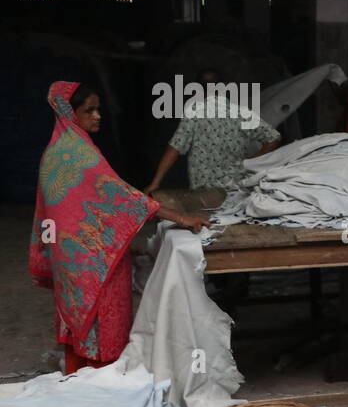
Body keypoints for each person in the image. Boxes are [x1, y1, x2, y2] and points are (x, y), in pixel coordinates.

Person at [31, 82, 208, 373]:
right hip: (97, 263)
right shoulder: (79, 154)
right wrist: (179, 217)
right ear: (69, 113)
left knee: (80, 327)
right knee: (102, 329)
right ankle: (103, 383)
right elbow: (123, 199)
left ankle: (80, 378)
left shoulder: (56, 150)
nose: (98, 116)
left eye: (98, 109)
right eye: (89, 110)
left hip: (71, 262)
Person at [144, 69, 281, 193]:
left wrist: (155, 183)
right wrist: (250, 162)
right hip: (237, 189)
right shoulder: (241, 112)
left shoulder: (194, 113)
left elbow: (175, 148)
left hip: (204, 192)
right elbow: (274, 138)